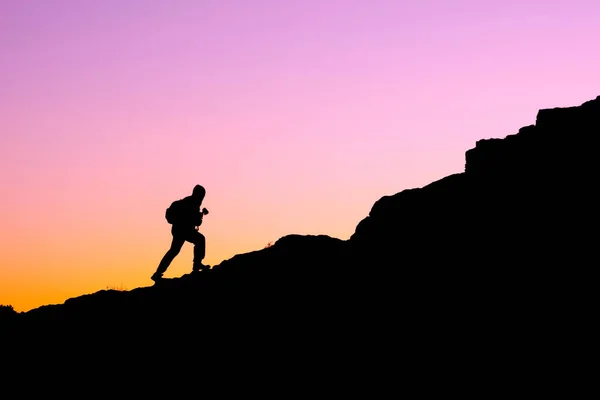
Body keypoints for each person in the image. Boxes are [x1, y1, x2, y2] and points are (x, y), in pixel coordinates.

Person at [152, 184, 210, 282]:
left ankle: (157, 273)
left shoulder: (186, 201)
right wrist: (201, 215)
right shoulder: (193, 204)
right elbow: (196, 221)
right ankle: (196, 265)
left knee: (174, 251)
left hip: (178, 230)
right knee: (200, 240)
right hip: (184, 230)